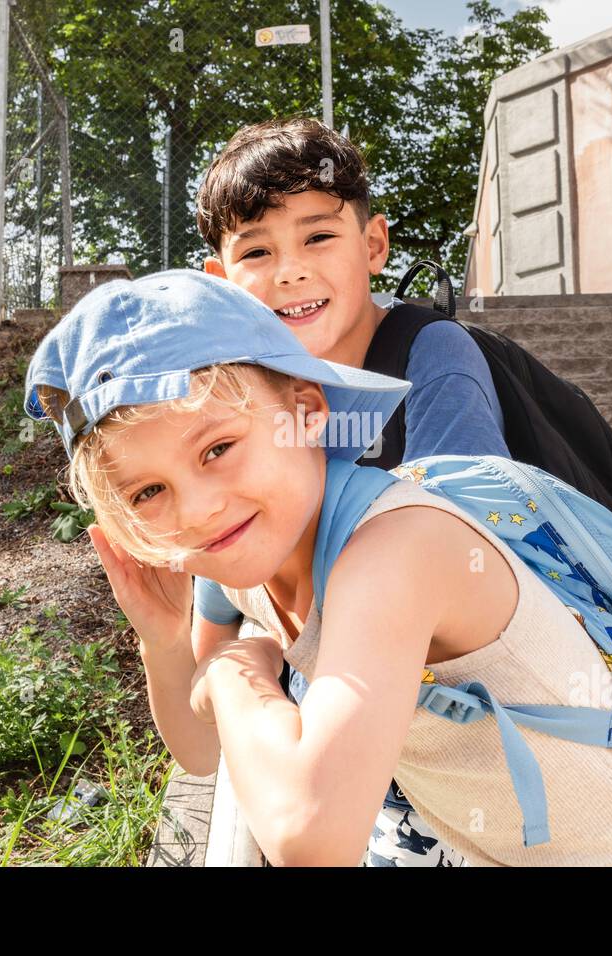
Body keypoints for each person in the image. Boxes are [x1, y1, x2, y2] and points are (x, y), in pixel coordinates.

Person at [24, 269, 612, 866]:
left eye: (217, 449)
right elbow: (202, 747)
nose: (200, 509)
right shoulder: (258, 559)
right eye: (149, 492)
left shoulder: (398, 545)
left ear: (306, 412)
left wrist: (236, 673)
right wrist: (163, 641)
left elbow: (310, 832)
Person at [191, 116, 510, 865]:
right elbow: (211, 642)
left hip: (479, 757)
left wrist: (272, 641)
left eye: (318, 237)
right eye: (258, 250)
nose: (290, 270)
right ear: (220, 281)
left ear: (374, 246)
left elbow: (465, 544)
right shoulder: (238, 404)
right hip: (366, 786)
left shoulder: (430, 356)